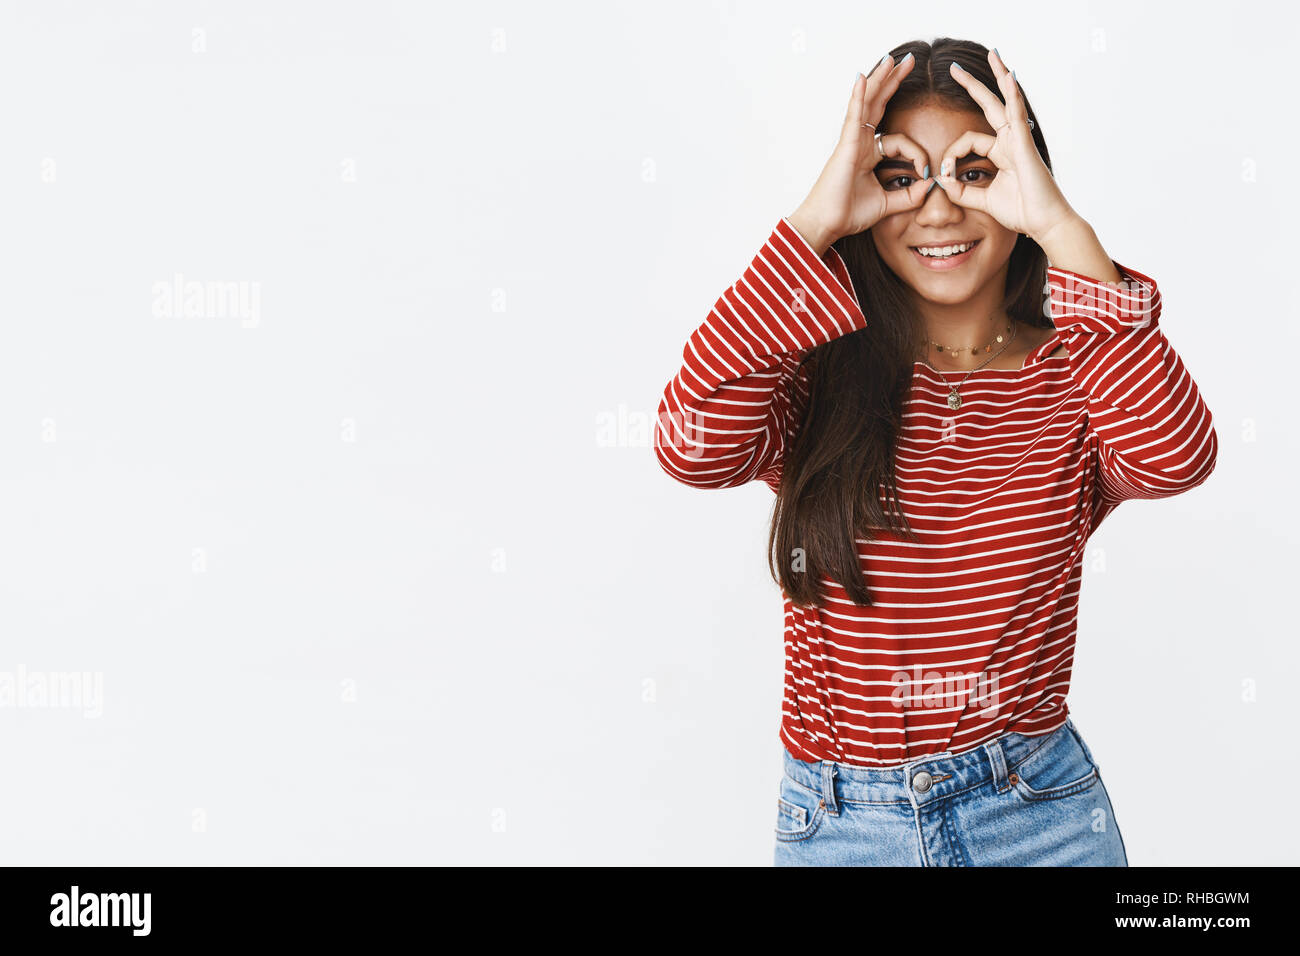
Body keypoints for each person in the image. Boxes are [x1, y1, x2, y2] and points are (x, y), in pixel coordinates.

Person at [652, 38, 1218, 866]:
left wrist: (1061, 226)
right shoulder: (813, 372)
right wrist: (811, 223)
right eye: (898, 178)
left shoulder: (1081, 374)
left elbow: (1176, 458)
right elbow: (689, 444)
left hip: (1040, 818)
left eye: (976, 172)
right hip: (842, 824)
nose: (939, 210)